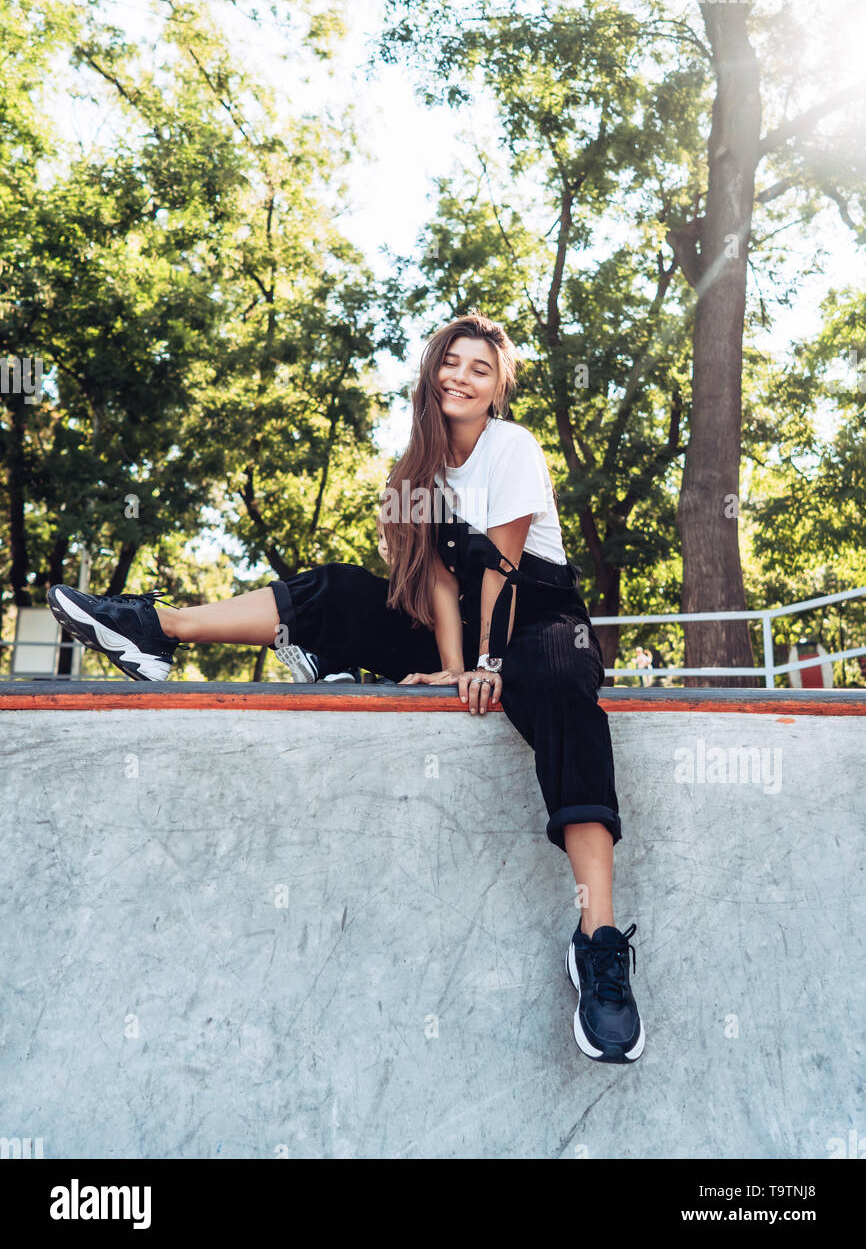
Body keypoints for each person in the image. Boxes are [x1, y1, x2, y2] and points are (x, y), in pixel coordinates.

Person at [46, 311, 644, 1064]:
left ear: (498, 389)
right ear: (432, 372)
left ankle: (599, 945)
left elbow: (501, 567)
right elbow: (432, 582)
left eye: (479, 369)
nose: (461, 376)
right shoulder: (418, 471)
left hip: (540, 614)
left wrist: (489, 665)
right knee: (339, 591)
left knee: (558, 687)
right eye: (450, 363)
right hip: (464, 622)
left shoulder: (511, 447)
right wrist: (455, 666)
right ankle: (155, 629)